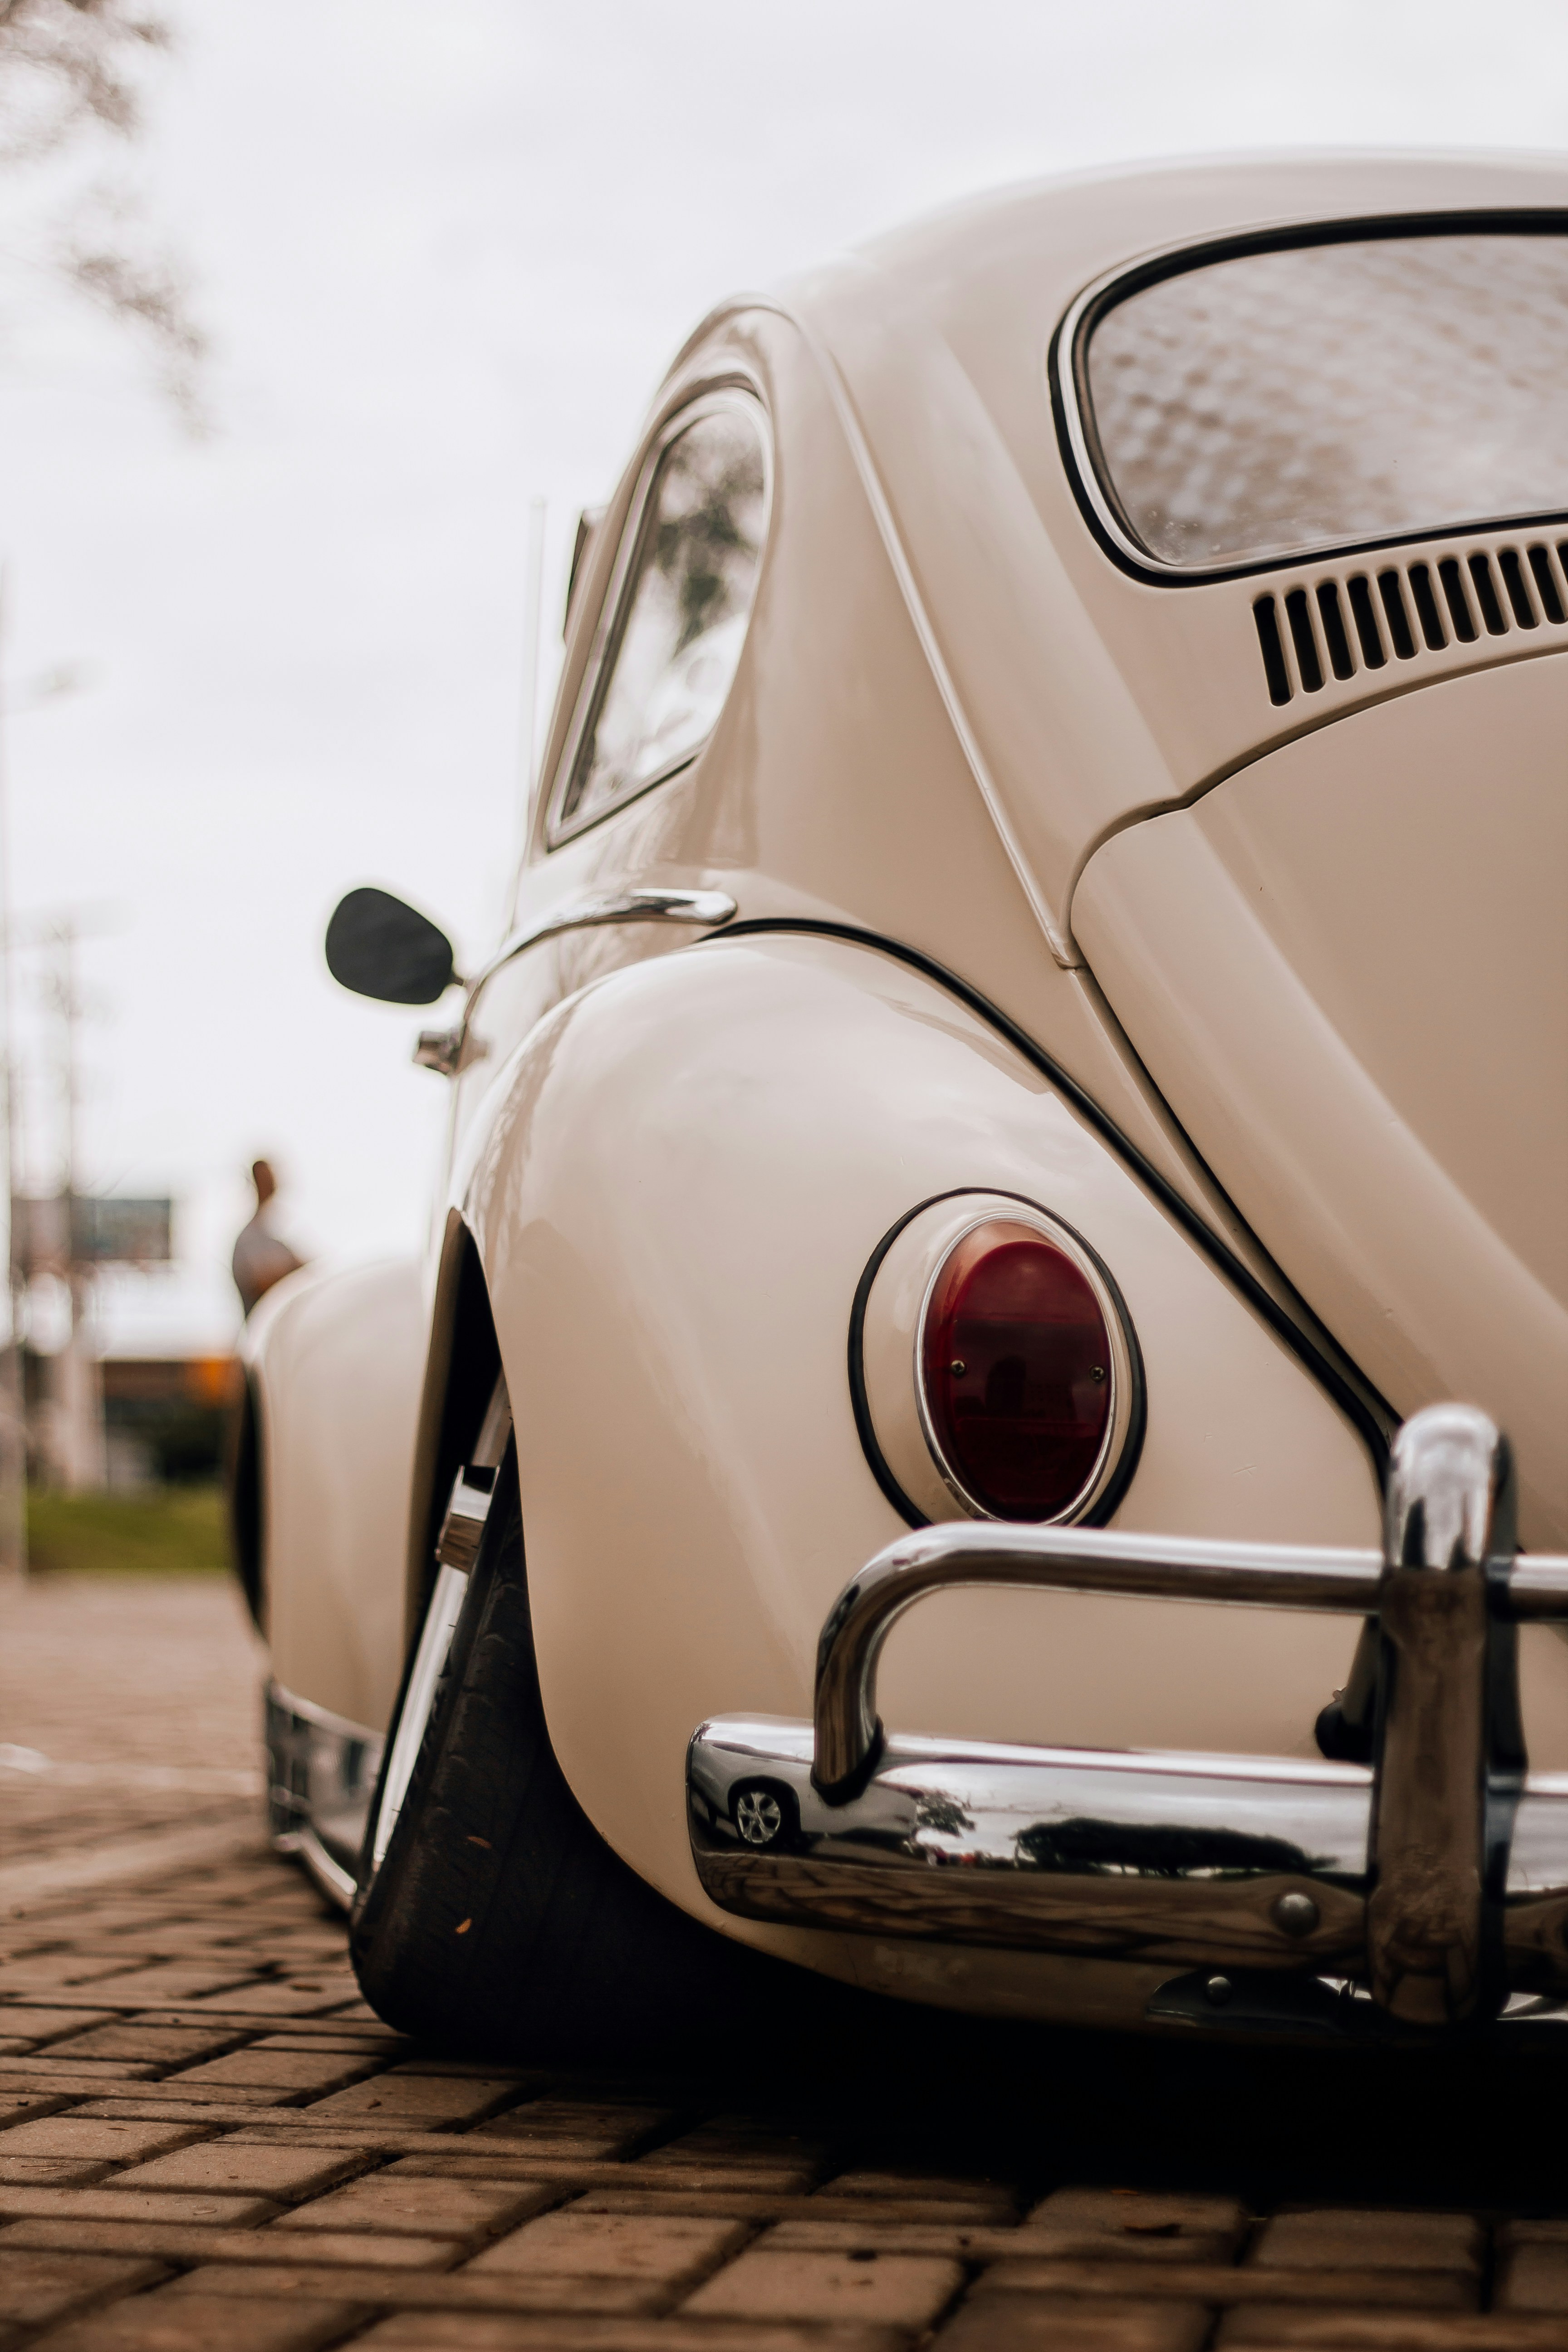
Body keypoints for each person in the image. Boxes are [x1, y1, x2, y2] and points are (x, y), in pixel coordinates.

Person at [231, 1159, 306, 1318]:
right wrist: (294, 1271)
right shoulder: (248, 1238)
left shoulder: (275, 1232)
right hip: (262, 1323)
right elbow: (260, 1284)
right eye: (266, 1177)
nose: (272, 1181)